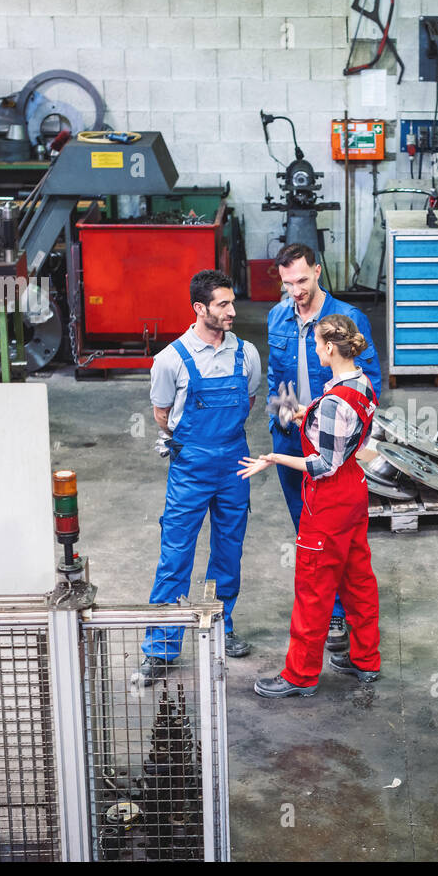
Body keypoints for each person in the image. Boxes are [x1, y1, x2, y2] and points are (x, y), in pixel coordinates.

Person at [240, 313, 382, 697]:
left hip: (329, 500)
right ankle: (366, 660)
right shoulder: (361, 384)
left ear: (330, 348)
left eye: (318, 344)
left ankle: (300, 676)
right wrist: (308, 414)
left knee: (313, 589)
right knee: (358, 581)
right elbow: (348, 433)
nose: (315, 349)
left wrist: (274, 458)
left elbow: (322, 465)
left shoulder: (336, 400)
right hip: (355, 491)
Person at [137, 269, 262, 686]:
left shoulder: (245, 354)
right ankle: (161, 647)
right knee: (176, 554)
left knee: (229, 549)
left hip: (234, 463)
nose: (232, 311)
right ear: (199, 309)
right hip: (190, 466)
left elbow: (250, 398)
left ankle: (221, 628)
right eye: (223, 304)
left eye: (232, 302)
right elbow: (162, 415)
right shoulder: (170, 359)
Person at [266, 242, 381, 655]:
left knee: (331, 540)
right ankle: (333, 616)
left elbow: (371, 384)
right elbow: (274, 377)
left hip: (330, 446)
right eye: (287, 284)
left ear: (317, 271)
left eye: (301, 280)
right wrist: (278, 415)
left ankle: (331, 615)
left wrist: (356, 445)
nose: (295, 291)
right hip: (292, 434)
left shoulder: (346, 319)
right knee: (306, 531)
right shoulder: (277, 318)